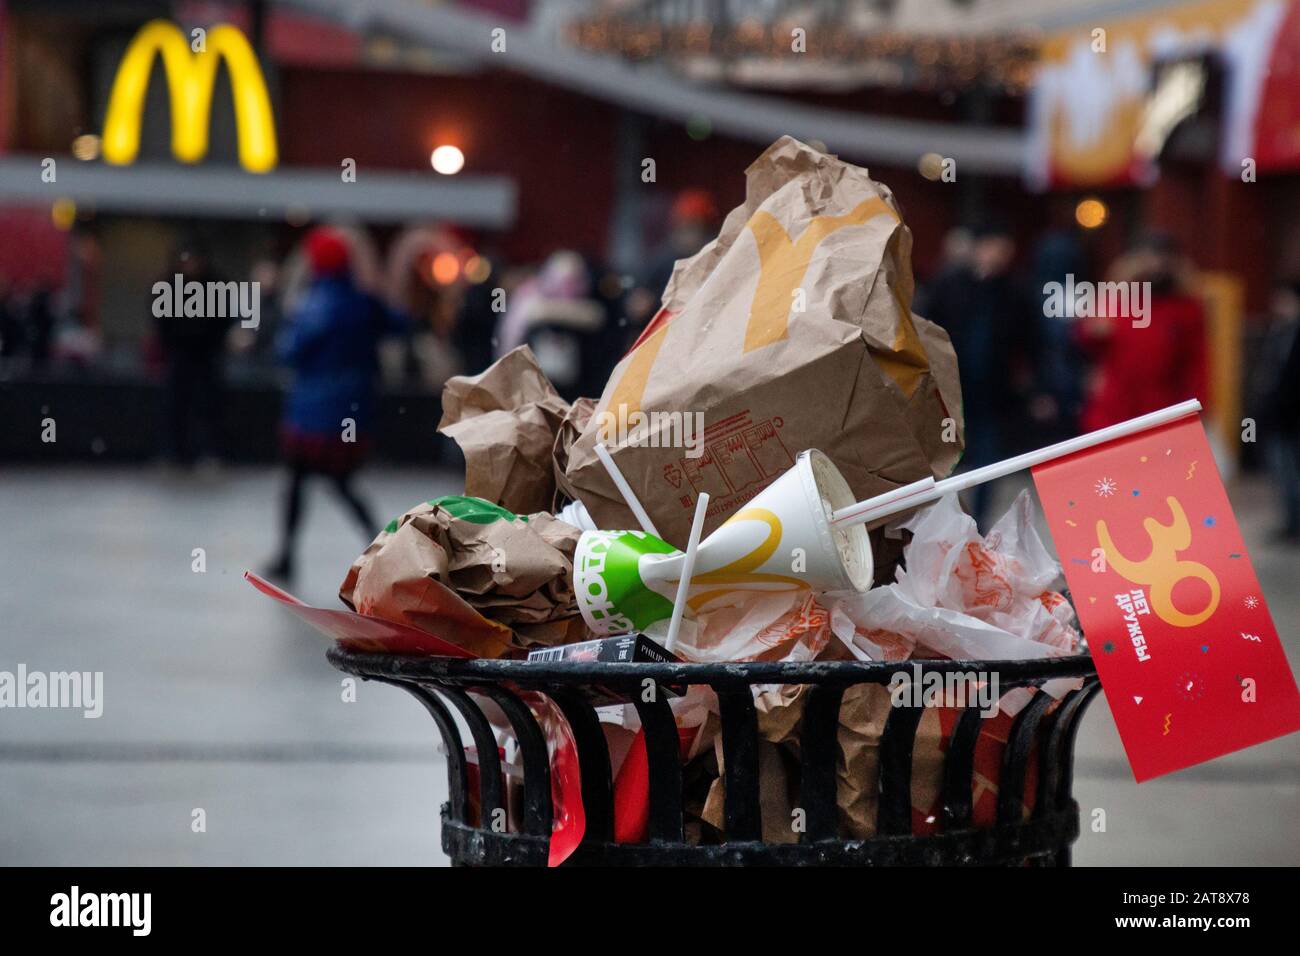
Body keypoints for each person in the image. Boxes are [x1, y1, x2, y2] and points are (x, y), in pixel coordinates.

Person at [263, 227, 408, 583]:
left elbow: (288, 351)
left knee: (300, 481)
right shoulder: (363, 302)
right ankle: (382, 546)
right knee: (340, 482)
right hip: (351, 410)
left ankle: (287, 554)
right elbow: (401, 325)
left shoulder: (311, 304)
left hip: (311, 414)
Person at [917, 221, 1042, 526]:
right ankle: (935, 522)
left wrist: (1035, 387)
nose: (997, 255)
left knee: (988, 462)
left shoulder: (1015, 292)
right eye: (992, 247)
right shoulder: (948, 285)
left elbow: (1033, 343)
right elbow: (926, 331)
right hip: (949, 389)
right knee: (942, 459)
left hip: (994, 392)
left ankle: (976, 523)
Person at [1075, 232, 1207, 433]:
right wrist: (1093, 332)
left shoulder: (1185, 308)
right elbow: (1085, 341)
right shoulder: (1116, 298)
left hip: (1162, 410)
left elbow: (1196, 362)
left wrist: (1196, 407)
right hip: (1113, 409)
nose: (1155, 265)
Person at [155, 240, 232, 466]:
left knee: (208, 406)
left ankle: (209, 452)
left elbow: (224, 318)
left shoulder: (216, 285)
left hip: (207, 355)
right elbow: (161, 320)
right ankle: (172, 452)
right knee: (175, 405)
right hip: (180, 354)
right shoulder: (170, 285)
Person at [1259, 282, 1300, 544]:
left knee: (1292, 472)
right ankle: (1290, 522)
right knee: (1280, 472)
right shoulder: (1278, 332)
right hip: (1275, 417)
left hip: (1292, 417)